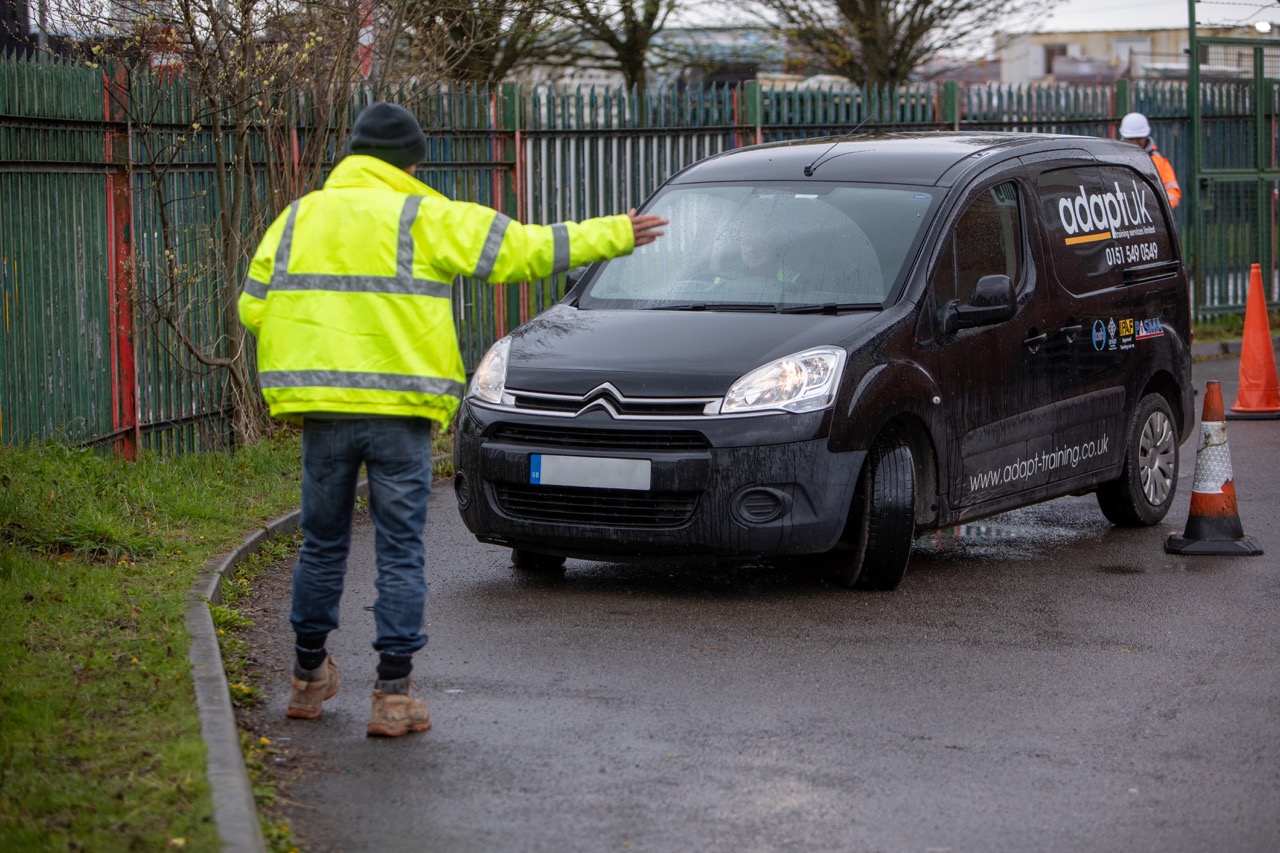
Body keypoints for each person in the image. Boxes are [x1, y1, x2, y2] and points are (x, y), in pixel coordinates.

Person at [238, 102, 667, 737]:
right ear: (407, 161)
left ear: (353, 156)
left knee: (323, 543)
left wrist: (328, 335)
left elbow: (253, 307)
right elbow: (521, 250)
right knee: (399, 550)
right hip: (402, 412)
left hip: (323, 413)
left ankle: (307, 680)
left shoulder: (298, 218)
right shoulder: (423, 215)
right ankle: (391, 697)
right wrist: (615, 233)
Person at [1119, 111, 1181, 209]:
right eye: (1131, 138)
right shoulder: (1116, 159)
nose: (1135, 142)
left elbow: (1173, 192)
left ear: (1145, 136)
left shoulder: (1159, 161)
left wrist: (1157, 207)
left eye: (1138, 138)